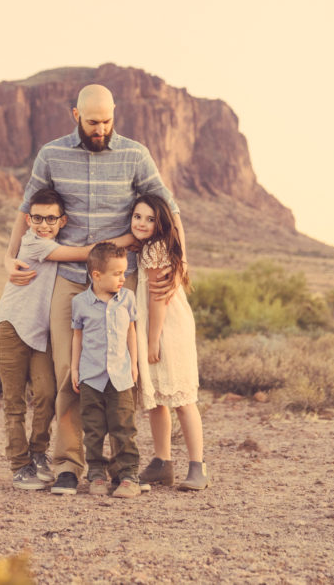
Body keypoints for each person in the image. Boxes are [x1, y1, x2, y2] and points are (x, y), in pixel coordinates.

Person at [5, 83, 186, 496]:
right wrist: (7, 258)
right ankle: (69, 465)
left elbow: (168, 208)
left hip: (123, 281)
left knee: (125, 376)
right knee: (71, 374)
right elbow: (25, 209)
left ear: (114, 114)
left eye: (106, 121)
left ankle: (126, 468)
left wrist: (183, 262)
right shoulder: (51, 154)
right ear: (75, 116)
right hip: (69, 281)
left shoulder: (135, 154)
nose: (100, 128)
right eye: (92, 121)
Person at [0, 188, 135, 490]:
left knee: (47, 394)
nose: (43, 225)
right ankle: (20, 465)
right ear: (28, 220)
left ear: (63, 220)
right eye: (37, 218)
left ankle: (37, 454)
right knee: (15, 402)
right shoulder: (33, 244)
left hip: (40, 333)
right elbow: (86, 254)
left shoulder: (51, 241)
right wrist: (128, 240)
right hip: (12, 326)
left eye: (51, 219)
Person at [130, 194, 210, 490]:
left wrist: (152, 341)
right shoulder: (151, 245)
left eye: (150, 219)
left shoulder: (156, 249)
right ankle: (162, 463)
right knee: (157, 396)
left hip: (165, 326)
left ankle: (197, 466)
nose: (142, 223)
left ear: (161, 223)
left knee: (181, 397)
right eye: (138, 216)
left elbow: (158, 298)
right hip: (159, 323)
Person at [69, 242, 140, 498]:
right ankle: (97, 475)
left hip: (120, 377)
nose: (123, 278)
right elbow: (77, 337)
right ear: (96, 275)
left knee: (124, 427)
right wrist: (75, 370)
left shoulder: (127, 299)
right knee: (94, 429)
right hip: (91, 377)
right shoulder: (80, 303)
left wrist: (133, 364)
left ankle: (128, 476)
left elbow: (132, 332)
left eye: (124, 272)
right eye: (117, 273)